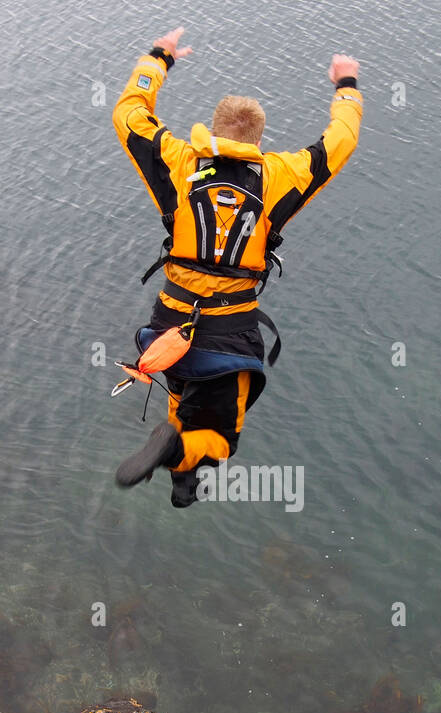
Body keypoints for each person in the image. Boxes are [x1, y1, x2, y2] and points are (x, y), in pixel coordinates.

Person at [112, 26, 362, 506]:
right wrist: (345, 86)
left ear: (213, 128)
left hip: (170, 321)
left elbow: (129, 114)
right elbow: (340, 141)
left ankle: (182, 474)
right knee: (222, 439)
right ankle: (178, 456)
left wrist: (158, 57)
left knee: (183, 396)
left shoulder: (178, 163)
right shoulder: (278, 176)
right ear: (259, 138)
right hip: (230, 327)